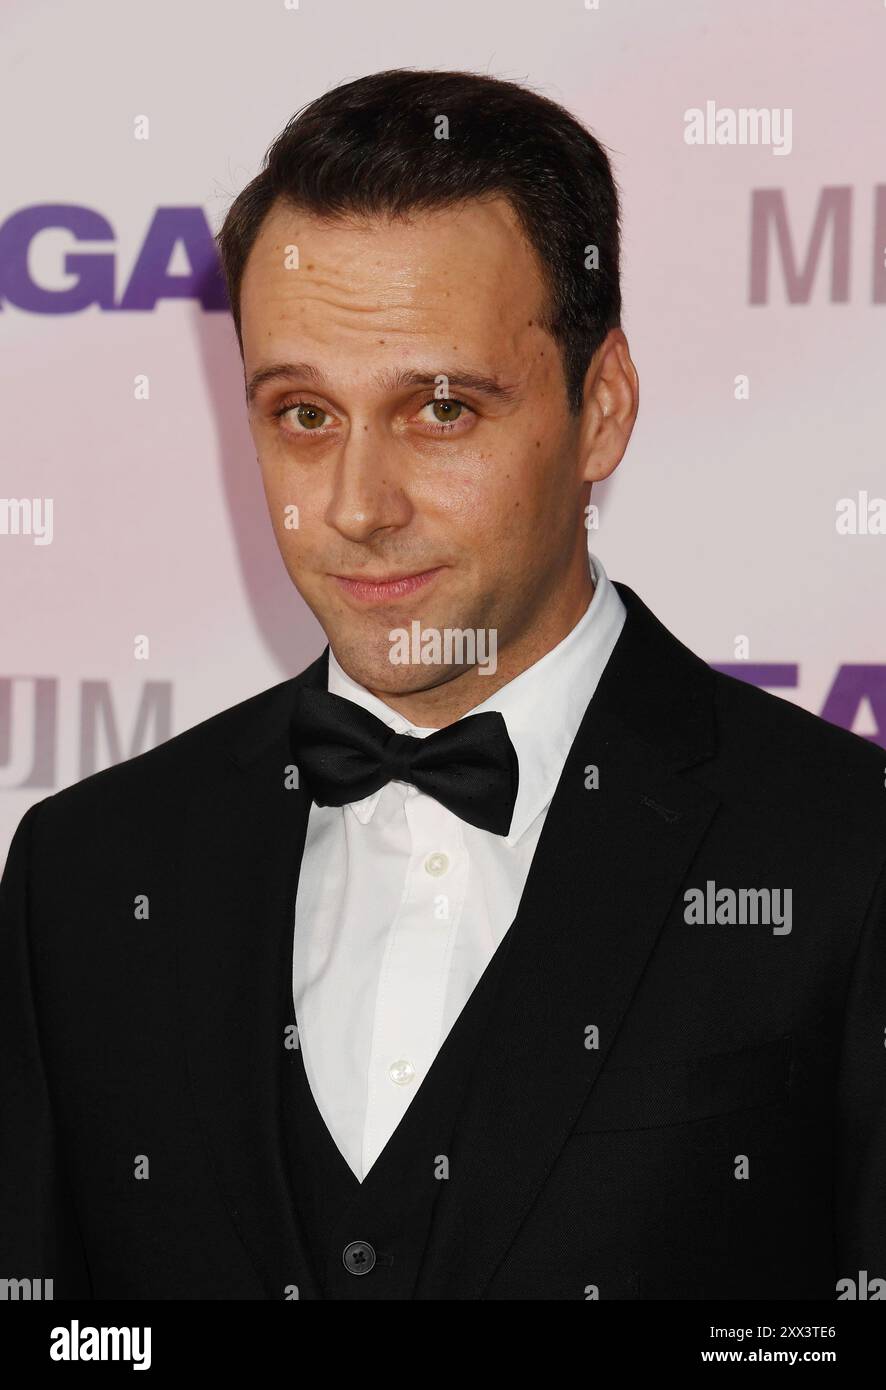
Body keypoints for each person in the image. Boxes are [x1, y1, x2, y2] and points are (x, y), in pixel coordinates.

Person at [1, 68, 884, 1302]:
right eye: (303, 413)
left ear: (602, 410)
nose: (358, 507)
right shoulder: (85, 875)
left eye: (439, 408)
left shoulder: (848, 852)